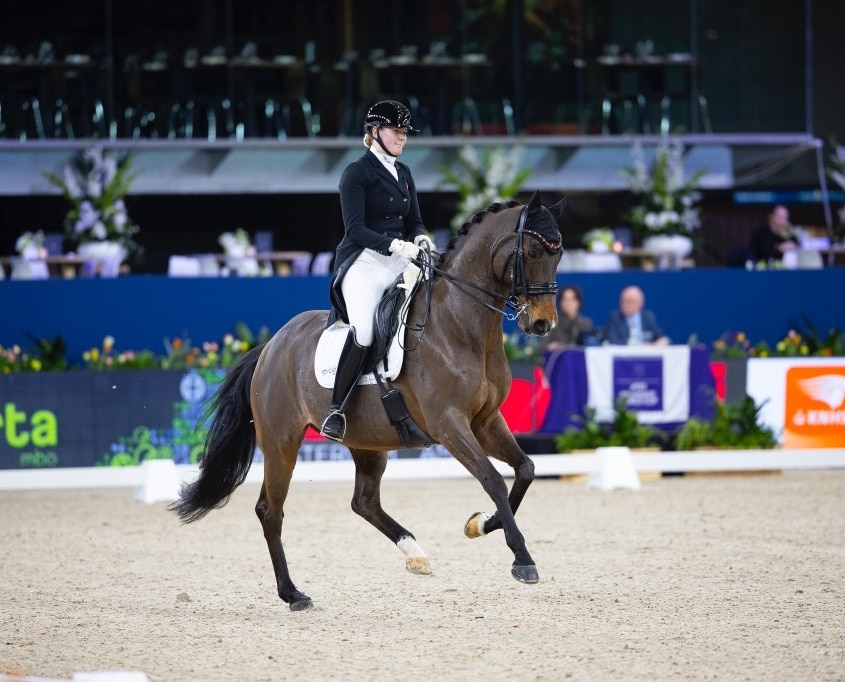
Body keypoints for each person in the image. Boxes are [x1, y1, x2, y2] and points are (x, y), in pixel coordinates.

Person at [321, 100, 435, 442]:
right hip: (365, 263)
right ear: (374, 132)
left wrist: (421, 238)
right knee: (366, 332)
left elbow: (413, 220)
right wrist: (395, 245)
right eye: (396, 131)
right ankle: (336, 409)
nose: (402, 138)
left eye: (404, 133)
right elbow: (354, 229)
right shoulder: (356, 173)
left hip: (401, 260)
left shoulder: (404, 173)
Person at [604, 285, 670, 346]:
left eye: (630, 301)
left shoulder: (647, 317)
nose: (626, 305)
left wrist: (662, 341)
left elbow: (660, 337)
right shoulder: (615, 317)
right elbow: (613, 340)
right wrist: (637, 346)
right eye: (623, 301)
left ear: (640, 303)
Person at [539, 284, 595, 351]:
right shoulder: (551, 323)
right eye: (564, 299)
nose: (568, 303)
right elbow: (542, 347)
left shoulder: (586, 323)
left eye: (571, 299)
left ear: (578, 302)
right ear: (560, 302)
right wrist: (550, 347)